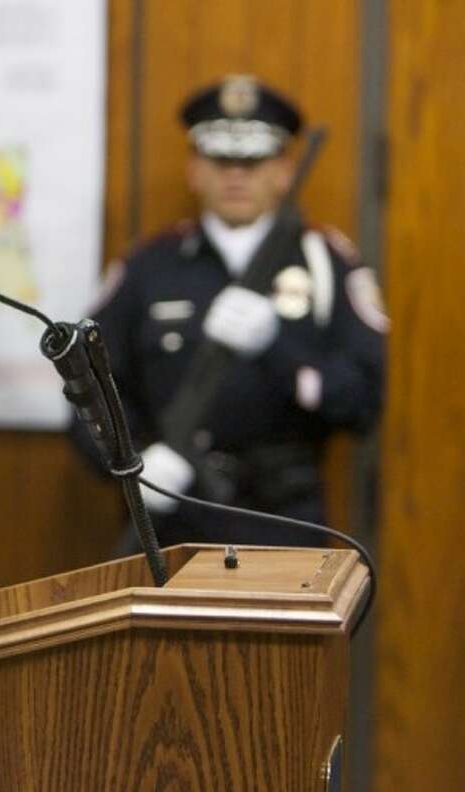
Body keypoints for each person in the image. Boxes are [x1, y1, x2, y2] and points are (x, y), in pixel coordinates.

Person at [69, 75, 387, 547]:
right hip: (176, 519)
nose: (236, 175)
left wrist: (278, 348)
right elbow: (87, 390)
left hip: (287, 522)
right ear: (194, 169)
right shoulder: (147, 268)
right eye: (220, 160)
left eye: (253, 160)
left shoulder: (328, 263)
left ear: (283, 169)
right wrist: (133, 462)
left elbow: (362, 401)